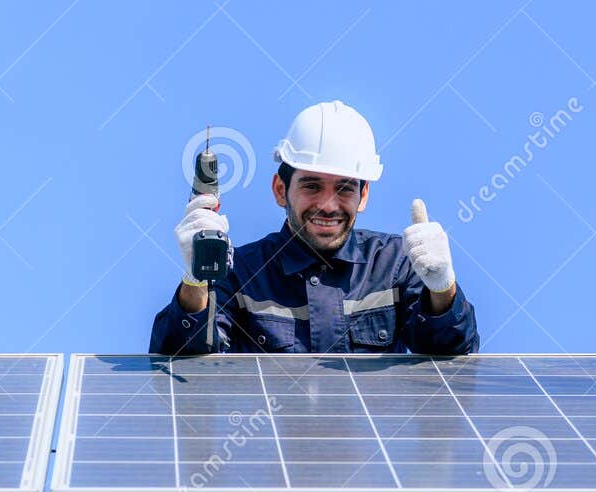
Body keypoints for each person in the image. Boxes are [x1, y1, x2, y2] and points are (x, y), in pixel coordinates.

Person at [150, 100, 478, 356]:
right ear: (280, 190)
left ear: (363, 196)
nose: (328, 205)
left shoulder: (395, 264)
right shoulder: (239, 274)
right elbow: (183, 363)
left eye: (344, 188)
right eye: (312, 185)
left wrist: (442, 289)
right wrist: (196, 280)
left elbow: (450, 356)